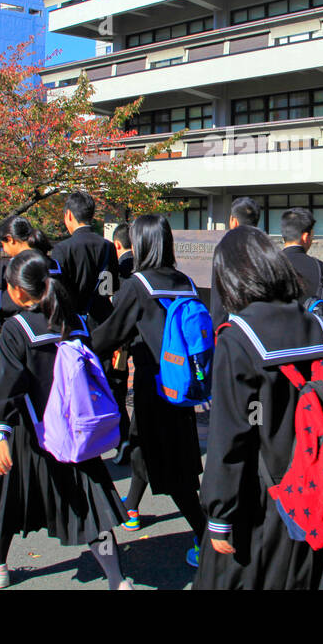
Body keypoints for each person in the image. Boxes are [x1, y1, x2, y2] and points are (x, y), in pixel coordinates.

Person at [196, 225, 323, 590]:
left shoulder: (237, 335)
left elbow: (230, 437)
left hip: (265, 499)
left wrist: (219, 513)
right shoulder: (315, 325)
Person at [0, 249, 132, 589]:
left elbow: (8, 386)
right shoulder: (75, 323)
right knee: (92, 511)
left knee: (8, 501)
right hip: (74, 432)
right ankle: (117, 579)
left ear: (16, 291)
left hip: (29, 434)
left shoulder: (17, 328)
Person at [90, 213, 207, 566]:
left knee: (173, 472)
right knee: (143, 445)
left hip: (152, 385)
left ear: (141, 243)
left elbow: (111, 334)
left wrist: (77, 344)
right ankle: (131, 508)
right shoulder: (184, 281)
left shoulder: (139, 284)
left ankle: (207, 538)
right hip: (182, 384)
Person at [51, 190, 118, 325]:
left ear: (69, 215)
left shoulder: (62, 249)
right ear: (92, 215)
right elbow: (111, 286)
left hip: (74, 322)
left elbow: (57, 291)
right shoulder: (108, 247)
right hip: (103, 321)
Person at [0, 215, 54, 332]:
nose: (4, 250)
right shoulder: (53, 263)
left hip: (24, 330)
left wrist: (1, 324)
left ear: (10, 239)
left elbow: (9, 306)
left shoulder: (18, 267)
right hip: (53, 328)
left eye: (3, 244)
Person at [208, 196, 262, 328]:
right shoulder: (265, 247)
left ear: (234, 221)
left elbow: (219, 292)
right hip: (263, 320)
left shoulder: (225, 247)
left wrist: (217, 326)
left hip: (234, 323)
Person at [108, 220, 135, 463]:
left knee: (116, 389)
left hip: (121, 340)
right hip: (144, 338)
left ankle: (125, 440)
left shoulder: (119, 270)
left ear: (117, 244)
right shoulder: (144, 265)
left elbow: (115, 304)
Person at [278, 207, 323, 307]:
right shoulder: (322, 269)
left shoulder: (268, 266)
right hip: (311, 322)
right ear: (305, 237)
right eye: (312, 236)